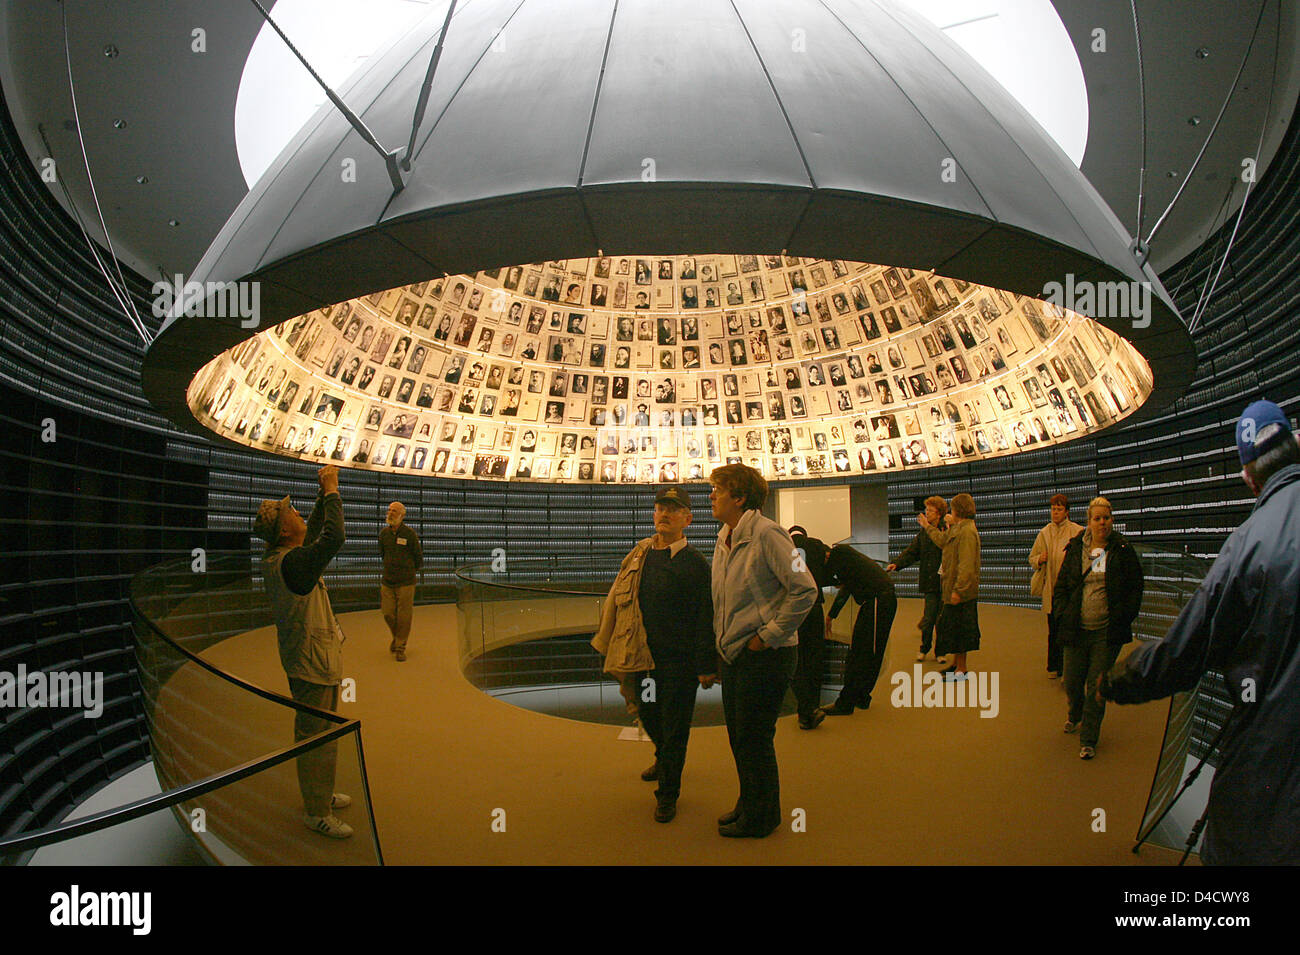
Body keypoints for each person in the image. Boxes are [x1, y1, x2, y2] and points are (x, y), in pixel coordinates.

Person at [1100, 400, 1300, 861]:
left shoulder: (1250, 545)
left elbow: (1184, 654)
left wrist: (1120, 677)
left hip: (1270, 767)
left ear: (1248, 474)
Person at [592, 487, 715, 824]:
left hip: (679, 664)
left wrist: (705, 664)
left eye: (673, 510)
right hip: (643, 659)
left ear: (687, 520)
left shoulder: (696, 564)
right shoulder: (641, 554)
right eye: (660, 508)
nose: (664, 514)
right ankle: (663, 758)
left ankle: (668, 794)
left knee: (676, 727)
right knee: (648, 712)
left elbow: (706, 615)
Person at [710, 465, 817, 837]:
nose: (712, 496)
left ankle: (763, 816)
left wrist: (767, 635)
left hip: (766, 654)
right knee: (741, 737)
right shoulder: (724, 535)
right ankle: (749, 802)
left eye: (717, 490)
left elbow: (805, 587)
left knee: (755, 738)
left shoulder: (770, 534)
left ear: (739, 498)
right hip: (737, 652)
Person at [253, 465, 352, 839]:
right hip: (312, 663)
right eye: (291, 513)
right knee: (316, 737)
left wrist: (318, 497)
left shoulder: (284, 557)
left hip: (309, 658)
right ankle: (316, 812)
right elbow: (333, 537)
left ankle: (321, 796)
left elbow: (309, 533)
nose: (298, 515)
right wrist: (331, 492)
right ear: (282, 530)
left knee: (321, 732)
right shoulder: (293, 563)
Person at [1051, 496, 1142, 759]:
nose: (1102, 523)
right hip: (1076, 628)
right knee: (1071, 680)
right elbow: (1063, 585)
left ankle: (1088, 738)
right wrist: (1061, 614)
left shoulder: (1122, 549)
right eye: (1097, 518)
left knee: (1096, 685)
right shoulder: (1077, 546)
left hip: (1106, 632)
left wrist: (1124, 618)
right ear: (1088, 521)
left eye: (1107, 518)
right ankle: (1075, 713)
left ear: (1112, 519)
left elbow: (1135, 587)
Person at [817, 543, 898, 715]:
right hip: (876, 602)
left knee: (866, 652)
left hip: (878, 601)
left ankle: (848, 701)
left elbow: (824, 577)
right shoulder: (847, 559)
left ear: (826, 554)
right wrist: (832, 615)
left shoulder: (839, 553)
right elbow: (845, 589)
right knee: (863, 650)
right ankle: (860, 696)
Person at [920, 493, 980, 679]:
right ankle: (956, 664)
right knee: (954, 630)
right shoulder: (958, 528)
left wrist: (959, 590)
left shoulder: (967, 532)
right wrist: (927, 527)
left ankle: (961, 669)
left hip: (961, 593)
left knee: (962, 632)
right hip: (952, 590)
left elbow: (966, 565)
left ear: (958, 510)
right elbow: (942, 540)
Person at [1028, 494, 1084, 679]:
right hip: (1052, 589)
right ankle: (1054, 666)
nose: (1055, 513)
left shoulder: (1077, 531)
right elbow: (1032, 558)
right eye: (1053, 509)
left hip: (1071, 591)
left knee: (1069, 628)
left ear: (1066, 512)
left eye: (1059, 509)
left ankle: (1067, 668)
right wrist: (1039, 559)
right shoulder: (1044, 533)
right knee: (1053, 630)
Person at [887, 496, 946, 663]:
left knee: (941, 621)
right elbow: (912, 552)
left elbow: (944, 545)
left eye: (930, 511)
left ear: (939, 513)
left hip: (945, 582)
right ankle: (924, 648)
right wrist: (897, 564)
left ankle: (940, 652)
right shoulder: (923, 534)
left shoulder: (945, 530)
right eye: (926, 510)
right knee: (928, 619)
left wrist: (928, 527)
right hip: (930, 582)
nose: (926, 514)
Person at [787, 527, 830, 729]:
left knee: (797, 658)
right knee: (815, 656)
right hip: (815, 607)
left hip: (795, 609)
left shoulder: (785, 545)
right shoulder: (817, 545)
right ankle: (814, 703)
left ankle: (805, 707)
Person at [379, 501, 422, 662]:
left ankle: (400, 647)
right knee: (388, 613)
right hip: (388, 581)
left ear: (402, 515)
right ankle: (398, 638)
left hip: (406, 582)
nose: (390, 512)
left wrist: (409, 571)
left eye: (394, 510)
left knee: (404, 617)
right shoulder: (384, 534)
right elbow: (383, 554)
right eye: (389, 509)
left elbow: (418, 557)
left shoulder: (409, 534)